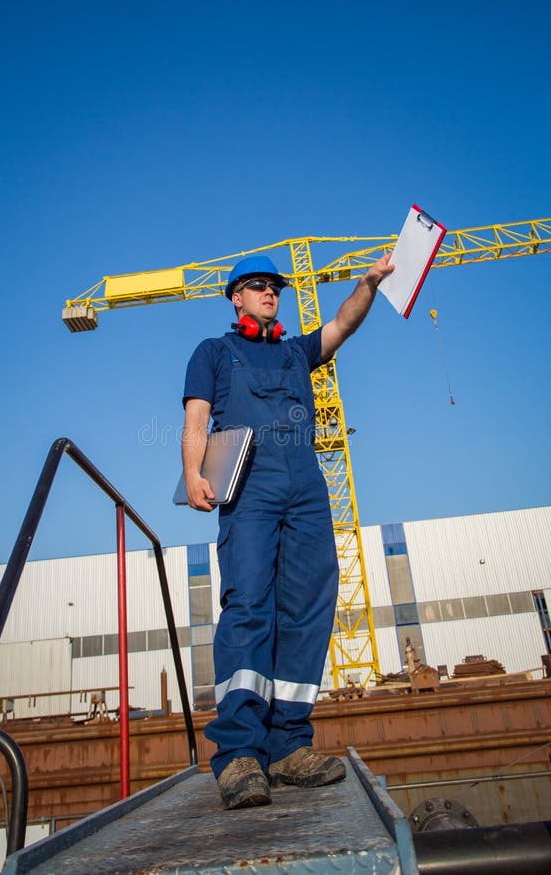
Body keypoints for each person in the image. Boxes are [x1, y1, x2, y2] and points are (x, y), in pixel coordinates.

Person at [181, 251, 394, 809]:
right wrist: (192, 471)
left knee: (307, 604)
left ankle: (289, 745)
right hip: (250, 488)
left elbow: (344, 321)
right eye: (257, 287)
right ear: (236, 298)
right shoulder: (213, 352)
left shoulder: (297, 351)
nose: (270, 293)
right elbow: (197, 419)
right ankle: (240, 754)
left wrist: (368, 282)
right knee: (250, 604)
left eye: (275, 286)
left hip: (305, 487)